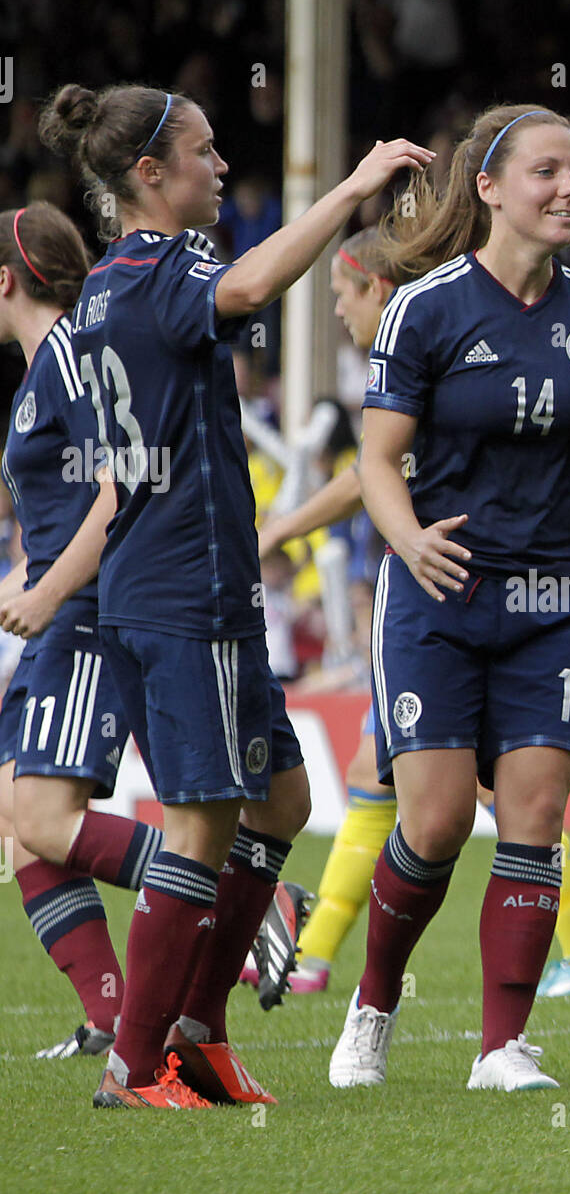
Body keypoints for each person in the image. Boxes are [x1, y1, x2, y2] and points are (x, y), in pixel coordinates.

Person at [41, 80, 434, 1108]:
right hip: (185, 591)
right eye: (206, 152)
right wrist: (352, 187)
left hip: (164, 583)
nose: (222, 168)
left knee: (283, 799)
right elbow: (250, 292)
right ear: (149, 175)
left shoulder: (103, 291)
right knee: (201, 824)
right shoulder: (165, 268)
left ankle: (198, 1032)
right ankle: (136, 1065)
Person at [329, 103, 570, 1093]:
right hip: (436, 597)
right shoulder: (426, 307)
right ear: (488, 187)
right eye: (546, 172)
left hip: (548, 602)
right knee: (440, 820)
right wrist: (406, 537)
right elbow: (375, 458)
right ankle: (373, 1004)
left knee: (535, 809)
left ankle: (500, 1046)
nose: (569, 189)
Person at [258, 227, 570, 998]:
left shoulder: (434, 347)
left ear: (377, 289)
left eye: (342, 293)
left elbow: (383, 475)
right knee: (382, 778)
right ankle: (318, 954)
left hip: (463, 606)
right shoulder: (436, 339)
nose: (337, 310)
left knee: (498, 795)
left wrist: (287, 526)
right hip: (422, 611)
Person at [0, 202, 165, 1059]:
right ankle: (110, 1012)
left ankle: (223, 884)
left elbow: (119, 485)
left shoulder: (65, 355)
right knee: (15, 817)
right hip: (56, 612)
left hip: (87, 613)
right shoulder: (41, 370)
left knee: (45, 820)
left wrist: (50, 590)